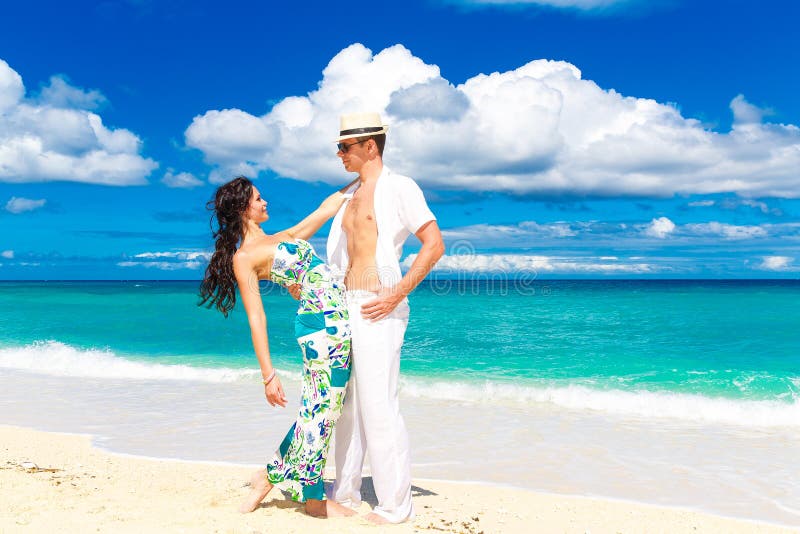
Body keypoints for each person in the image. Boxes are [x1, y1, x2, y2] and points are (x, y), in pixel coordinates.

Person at [198, 176, 357, 518]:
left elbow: (325, 209)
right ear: (243, 208)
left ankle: (267, 478)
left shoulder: (283, 237)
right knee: (323, 410)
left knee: (322, 408)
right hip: (320, 326)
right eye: (258, 199)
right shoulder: (244, 258)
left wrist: (363, 176)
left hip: (337, 322)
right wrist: (268, 375)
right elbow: (257, 318)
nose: (265, 202)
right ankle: (313, 500)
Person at [326, 112, 445, 524]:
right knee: (345, 404)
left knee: (379, 404)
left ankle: (396, 504)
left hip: (380, 305)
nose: (338, 153)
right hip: (344, 304)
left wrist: (397, 293)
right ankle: (345, 490)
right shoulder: (347, 195)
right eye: (338, 146)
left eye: (345, 146)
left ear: (369, 146)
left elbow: (434, 244)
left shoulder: (400, 187)